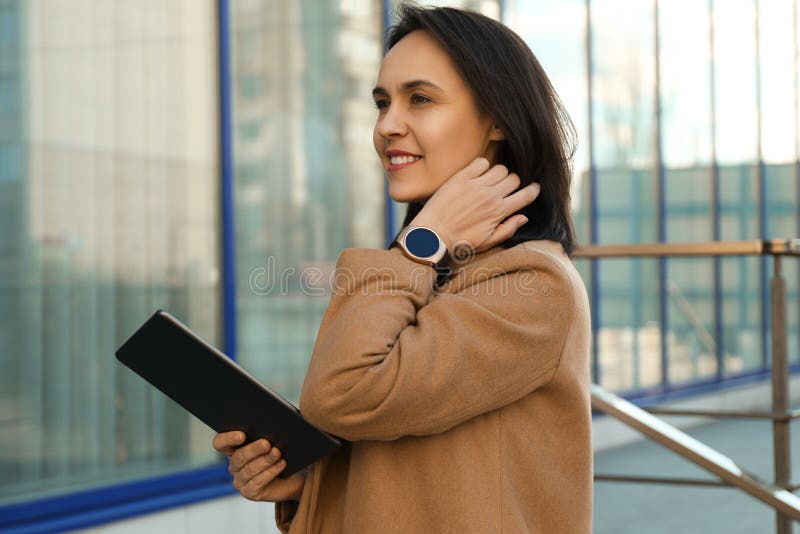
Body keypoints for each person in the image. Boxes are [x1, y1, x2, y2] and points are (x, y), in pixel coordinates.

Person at [212, 3, 592, 533]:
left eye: (420, 99)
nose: (388, 125)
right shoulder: (427, 270)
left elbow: (341, 395)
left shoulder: (533, 286)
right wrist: (307, 482)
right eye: (381, 102)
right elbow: (418, 456)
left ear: (499, 119)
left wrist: (421, 241)